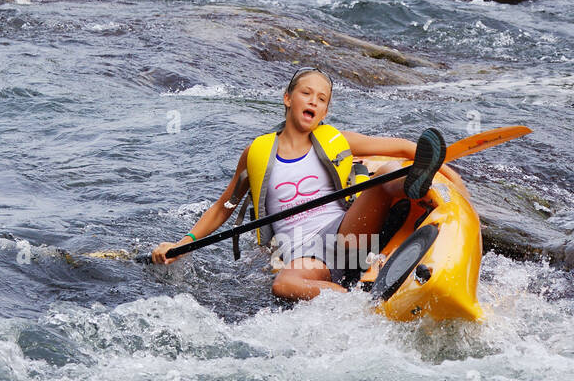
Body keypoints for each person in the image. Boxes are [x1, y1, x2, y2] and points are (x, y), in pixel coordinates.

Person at [151, 67, 458, 300]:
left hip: (344, 234)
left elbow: (405, 149)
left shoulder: (339, 141)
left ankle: (415, 183)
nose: (313, 101)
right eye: (306, 93)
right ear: (288, 98)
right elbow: (224, 207)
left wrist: (458, 187)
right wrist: (183, 243)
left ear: (325, 111)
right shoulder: (256, 152)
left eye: (321, 99)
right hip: (303, 255)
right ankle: (355, 304)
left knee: (384, 176)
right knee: (284, 284)